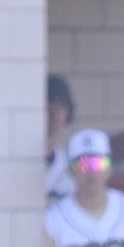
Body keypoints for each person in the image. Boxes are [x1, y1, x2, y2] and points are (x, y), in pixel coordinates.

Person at [43, 74, 77, 202]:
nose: (53, 113)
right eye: (47, 106)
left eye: (60, 107)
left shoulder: (71, 166)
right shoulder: (14, 161)